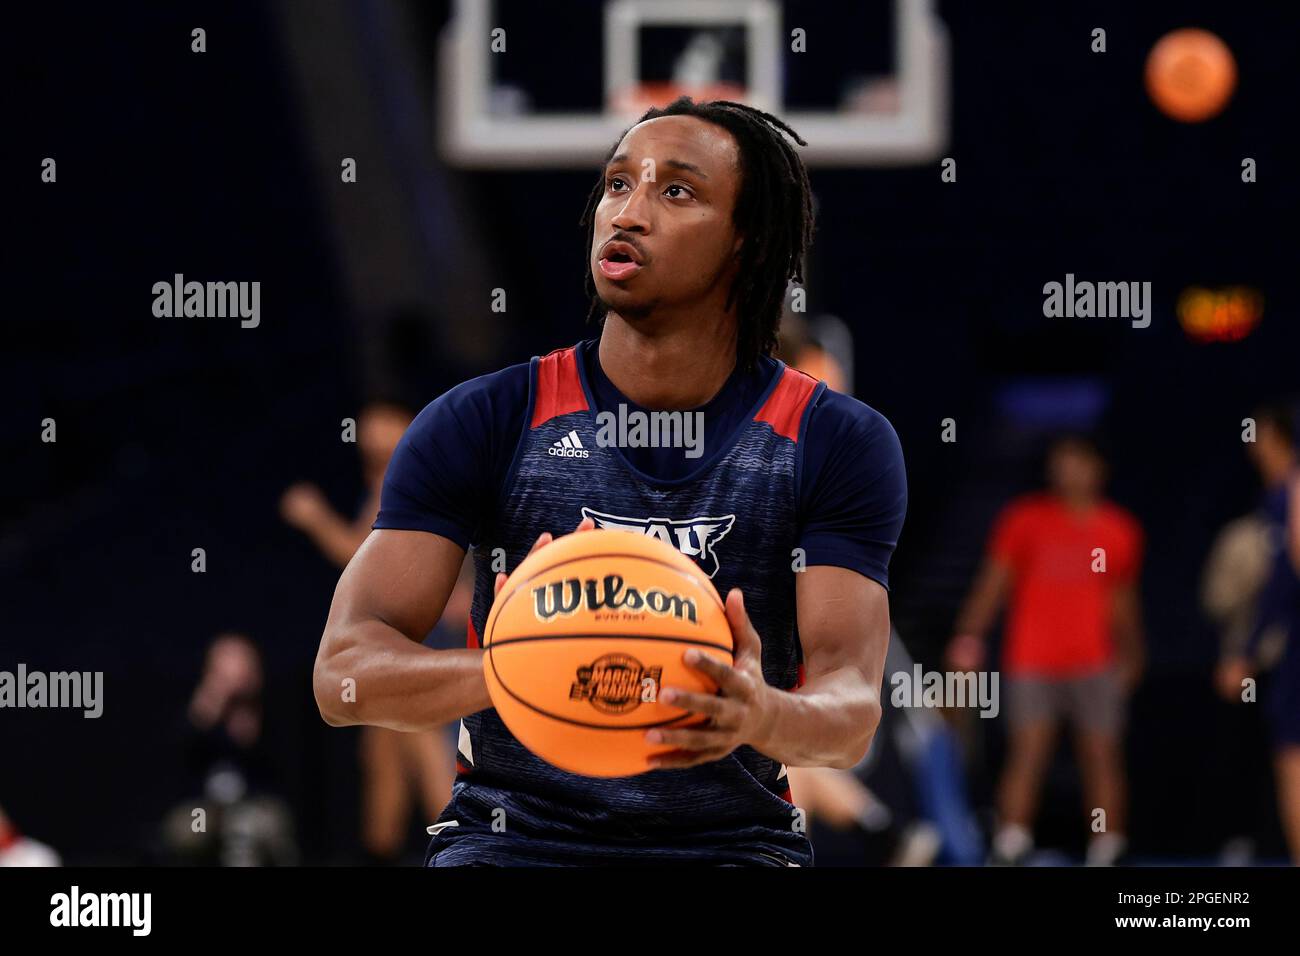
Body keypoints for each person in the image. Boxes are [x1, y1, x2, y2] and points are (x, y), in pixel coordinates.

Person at [312, 98, 908, 866]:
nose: (626, 212)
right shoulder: (486, 418)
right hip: (512, 843)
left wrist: (764, 714)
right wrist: (518, 665)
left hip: (730, 847)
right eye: (618, 184)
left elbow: (852, 711)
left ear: (748, 243)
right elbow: (342, 675)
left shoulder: (836, 440)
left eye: (676, 191)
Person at [946, 435, 1144, 866]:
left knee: (1101, 754)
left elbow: (1122, 601)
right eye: (1059, 463)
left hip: (1094, 660)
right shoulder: (1024, 520)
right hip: (1032, 659)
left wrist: (1133, 654)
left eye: (1076, 462)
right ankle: (1012, 841)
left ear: (1098, 469)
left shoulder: (1117, 528)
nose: (1066, 471)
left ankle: (1105, 845)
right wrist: (969, 636)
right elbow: (993, 583)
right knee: (1028, 751)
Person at [282, 401, 456, 863]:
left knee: (428, 751)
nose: (377, 450)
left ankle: (461, 848)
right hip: (393, 646)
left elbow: (359, 552)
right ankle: (382, 855)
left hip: (428, 647)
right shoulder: (386, 484)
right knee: (383, 762)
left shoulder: (422, 477)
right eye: (370, 449)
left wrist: (314, 516)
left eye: (387, 441)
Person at [1216, 403, 1300, 862]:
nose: (1252, 444)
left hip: (1289, 643)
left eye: (1260, 434)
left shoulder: (1289, 490)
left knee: (1293, 759)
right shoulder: (1272, 499)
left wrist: (1244, 651)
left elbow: (1287, 578)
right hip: (1285, 646)